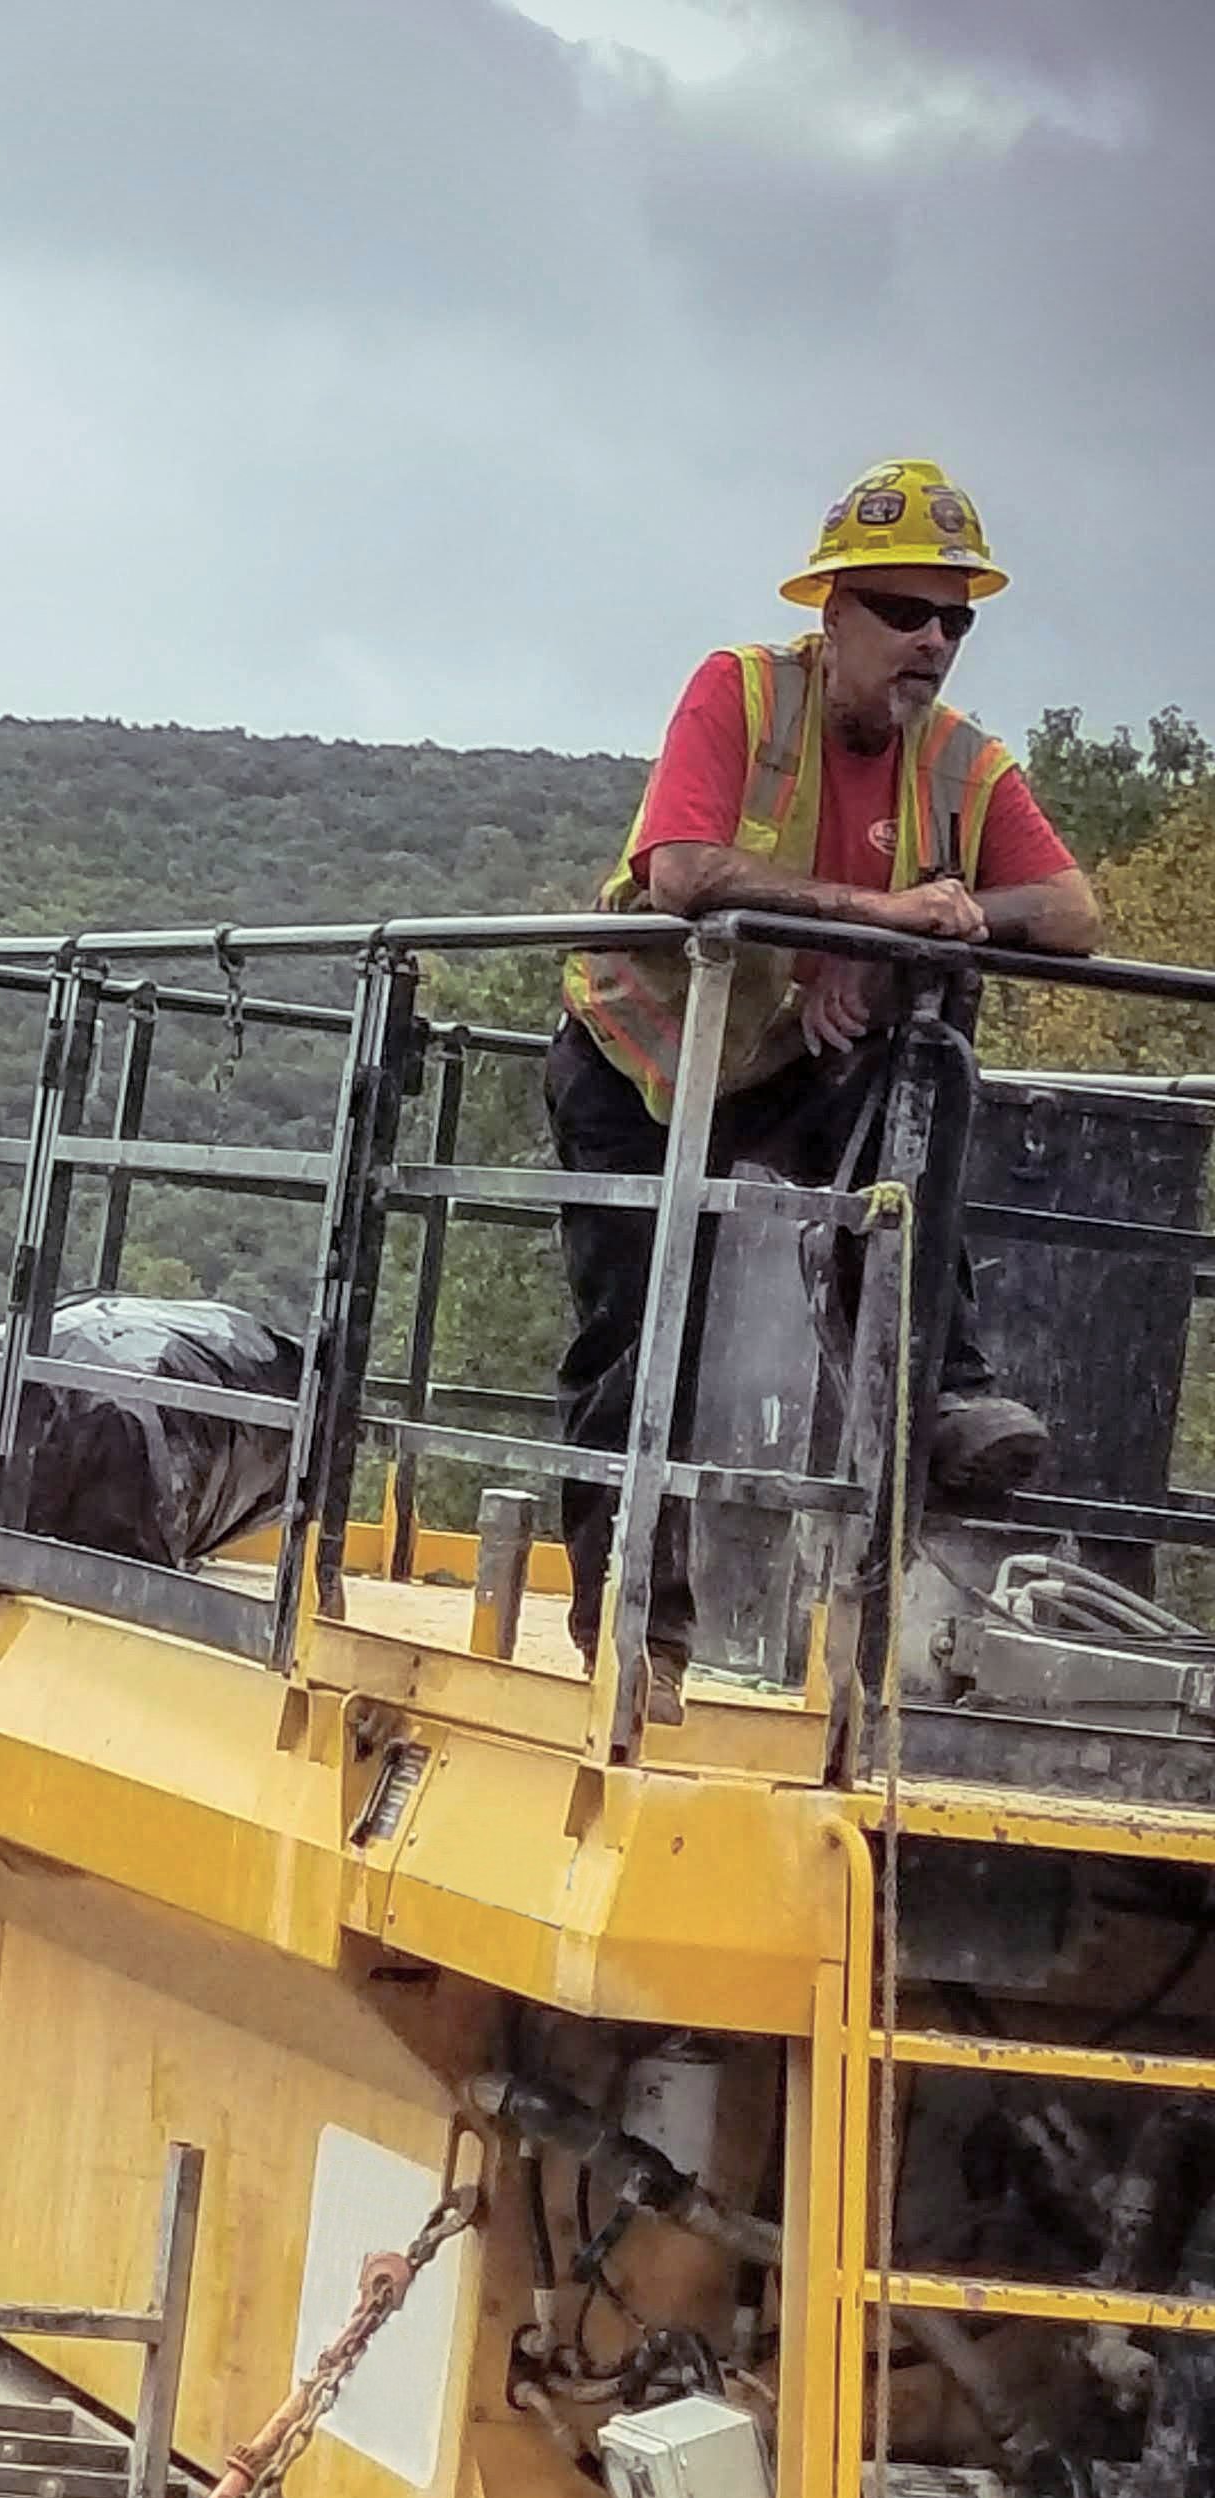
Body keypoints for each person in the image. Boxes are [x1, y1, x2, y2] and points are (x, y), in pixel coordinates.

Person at [550, 457, 1102, 1680]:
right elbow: (682, 871)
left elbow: (1071, 910)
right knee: (640, 1334)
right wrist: (879, 919)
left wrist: (921, 941)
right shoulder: (742, 694)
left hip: (795, 1055)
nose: (933, 642)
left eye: (956, 620)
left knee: (925, 1088)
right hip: (641, 1059)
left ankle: (943, 1396)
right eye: (905, 611)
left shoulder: (958, 760)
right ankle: (633, 1627)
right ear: (834, 611)